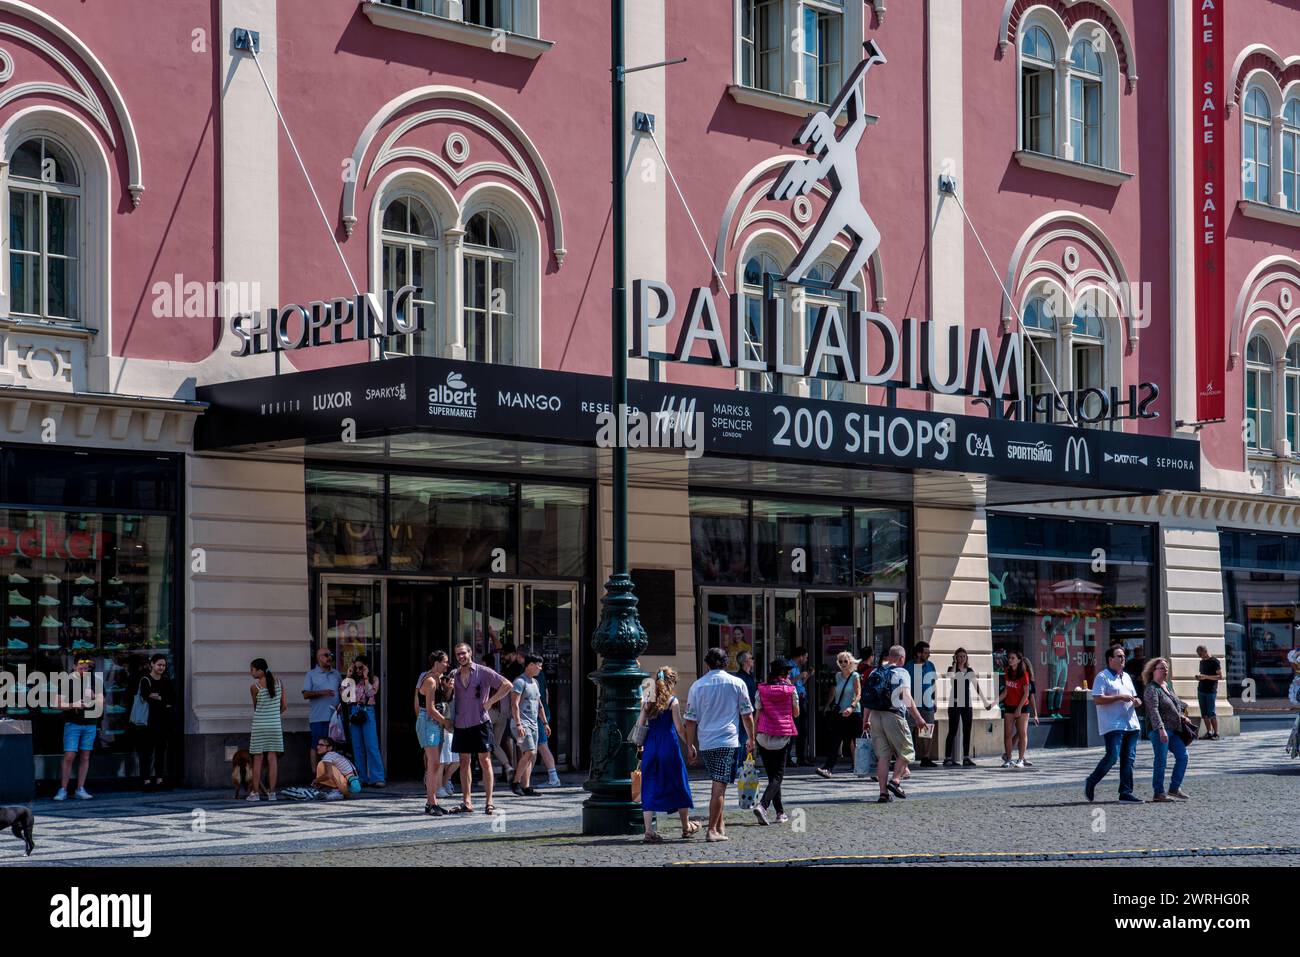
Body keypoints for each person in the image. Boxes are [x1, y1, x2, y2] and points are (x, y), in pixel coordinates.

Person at [684, 647, 756, 842]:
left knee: (718, 782)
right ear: (726, 663)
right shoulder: (736, 683)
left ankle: (720, 825)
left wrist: (690, 745)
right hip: (727, 740)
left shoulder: (697, 686)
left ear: (707, 664)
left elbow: (690, 720)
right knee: (719, 786)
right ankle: (712, 830)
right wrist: (751, 738)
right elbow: (747, 715)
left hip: (706, 742)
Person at [449, 641, 513, 814]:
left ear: (470, 653)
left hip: (480, 722)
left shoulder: (483, 671)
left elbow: (507, 685)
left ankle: (489, 801)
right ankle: (467, 802)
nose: (461, 656)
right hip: (461, 723)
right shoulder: (454, 675)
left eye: (463, 653)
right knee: (464, 762)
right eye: (458, 654)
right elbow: (448, 696)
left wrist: (491, 702)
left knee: (485, 761)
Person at [636, 667, 697, 842]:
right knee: (679, 783)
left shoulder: (648, 695)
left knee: (649, 785)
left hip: (651, 746)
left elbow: (641, 723)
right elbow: (679, 728)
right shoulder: (673, 701)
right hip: (669, 746)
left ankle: (648, 831)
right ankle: (686, 827)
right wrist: (690, 745)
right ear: (672, 682)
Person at [863, 645, 932, 802]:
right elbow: (906, 696)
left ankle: (883, 793)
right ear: (901, 658)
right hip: (893, 716)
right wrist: (919, 718)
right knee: (907, 751)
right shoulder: (901, 672)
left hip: (875, 716)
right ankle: (895, 781)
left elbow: (868, 699)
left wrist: (865, 720)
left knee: (883, 756)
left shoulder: (875, 671)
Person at [1084, 644, 1144, 804]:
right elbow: (1097, 699)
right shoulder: (1102, 677)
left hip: (1131, 724)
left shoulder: (1127, 677)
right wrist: (1119, 698)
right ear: (1110, 659)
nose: (1123, 658)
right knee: (1112, 757)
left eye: (1124, 656)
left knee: (1129, 759)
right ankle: (1091, 781)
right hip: (1113, 724)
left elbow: (1134, 697)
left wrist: (1137, 701)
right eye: (1119, 656)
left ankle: (1125, 792)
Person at [753, 658, 799, 825]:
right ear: (786, 673)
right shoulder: (790, 690)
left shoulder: (762, 689)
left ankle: (780, 813)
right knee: (778, 777)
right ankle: (763, 806)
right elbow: (796, 713)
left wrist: (752, 737)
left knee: (772, 776)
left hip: (763, 736)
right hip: (782, 736)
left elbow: (757, 715)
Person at [1142, 657, 1192, 802]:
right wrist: (1161, 729)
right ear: (1153, 671)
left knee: (1183, 756)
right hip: (1159, 730)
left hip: (1174, 729)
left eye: (1166, 668)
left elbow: (1175, 705)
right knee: (1161, 760)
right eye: (1162, 668)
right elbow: (1153, 711)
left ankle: (1174, 788)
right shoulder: (1151, 689)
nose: (1165, 671)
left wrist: (1182, 716)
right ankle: (1158, 792)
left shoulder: (1167, 686)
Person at [54, 657, 100, 801]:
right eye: (81, 668)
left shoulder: (95, 681)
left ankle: (80, 788)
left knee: (85, 756)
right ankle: (63, 789)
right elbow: (57, 704)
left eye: (86, 668)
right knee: (69, 755)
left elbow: (103, 702)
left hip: (90, 722)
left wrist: (94, 697)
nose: (84, 671)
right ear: (74, 667)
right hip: (72, 723)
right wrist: (74, 704)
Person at [416, 651, 452, 815]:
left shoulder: (437, 679)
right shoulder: (430, 680)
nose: (447, 664)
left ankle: (432, 802)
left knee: (435, 764)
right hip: (429, 722)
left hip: (435, 722)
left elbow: (442, 700)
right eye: (444, 662)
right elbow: (429, 709)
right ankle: (431, 802)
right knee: (434, 763)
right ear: (436, 663)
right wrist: (446, 721)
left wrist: (447, 689)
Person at [943, 647, 992, 767]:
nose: (962, 658)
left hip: (966, 703)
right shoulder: (952, 669)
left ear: (966, 657)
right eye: (959, 656)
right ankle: (947, 757)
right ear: (955, 657)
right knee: (953, 730)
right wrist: (954, 664)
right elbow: (951, 679)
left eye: (964, 656)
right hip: (954, 703)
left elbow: (976, 686)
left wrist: (985, 701)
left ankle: (966, 757)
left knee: (967, 730)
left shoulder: (969, 670)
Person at [816, 651, 861, 778]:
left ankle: (863, 766)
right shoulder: (837, 676)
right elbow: (834, 693)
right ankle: (828, 768)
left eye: (845, 661)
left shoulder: (855, 676)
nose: (842, 664)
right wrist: (827, 705)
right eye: (840, 661)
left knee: (856, 742)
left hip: (853, 713)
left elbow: (858, 694)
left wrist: (851, 707)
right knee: (835, 740)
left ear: (850, 662)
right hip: (840, 713)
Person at [247, 657, 286, 801]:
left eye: (252, 670)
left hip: (259, 726)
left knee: (257, 760)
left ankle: (255, 793)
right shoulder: (279, 683)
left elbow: (255, 708)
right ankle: (272, 793)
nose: (251, 673)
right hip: (275, 725)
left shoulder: (254, 687)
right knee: (272, 759)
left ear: (260, 671)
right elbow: (284, 706)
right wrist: (274, 715)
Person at [136, 654, 174, 789]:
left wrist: (157, 697)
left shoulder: (167, 681)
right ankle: (146, 780)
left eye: (163, 665)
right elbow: (146, 695)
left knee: (160, 751)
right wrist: (158, 699)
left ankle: (159, 779)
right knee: (146, 752)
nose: (161, 668)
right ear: (152, 664)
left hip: (162, 722)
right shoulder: (145, 679)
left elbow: (170, 699)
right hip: (147, 721)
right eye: (159, 665)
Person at [347, 655, 385, 788]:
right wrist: (348, 676)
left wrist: (366, 677)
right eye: (356, 667)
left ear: (366, 667)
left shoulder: (374, 679)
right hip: (354, 710)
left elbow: (371, 694)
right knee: (357, 747)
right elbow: (345, 696)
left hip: (368, 711)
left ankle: (378, 777)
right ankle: (361, 777)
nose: (358, 670)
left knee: (371, 745)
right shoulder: (351, 681)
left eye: (361, 667)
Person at [510, 654, 545, 796]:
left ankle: (526, 786)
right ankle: (515, 782)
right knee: (530, 751)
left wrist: (545, 723)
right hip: (522, 723)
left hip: (534, 723)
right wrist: (518, 724)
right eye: (538, 665)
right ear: (530, 665)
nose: (540, 668)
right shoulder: (519, 681)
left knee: (532, 755)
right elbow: (514, 704)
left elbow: (539, 704)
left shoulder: (535, 683)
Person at [302, 646, 341, 767]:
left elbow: (342, 692)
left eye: (331, 655)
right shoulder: (311, 674)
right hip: (318, 718)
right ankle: (316, 775)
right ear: (319, 658)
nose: (329, 658)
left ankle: (332, 775)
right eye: (326, 655)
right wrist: (322, 692)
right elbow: (306, 694)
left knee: (333, 747)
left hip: (334, 718)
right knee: (316, 746)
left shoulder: (336, 674)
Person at [1000, 651, 1038, 768]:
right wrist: (994, 702)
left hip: (1022, 707)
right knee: (1010, 733)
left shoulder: (1026, 677)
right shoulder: (1007, 672)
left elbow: (1030, 696)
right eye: (1009, 658)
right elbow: (1006, 691)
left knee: (1022, 733)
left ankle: (1021, 759)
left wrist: (1035, 714)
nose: (1010, 660)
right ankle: (1009, 757)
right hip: (1010, 706)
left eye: (1012, 658)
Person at [533, 667, 562, 788]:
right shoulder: (541, 674)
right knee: (539, 746)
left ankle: (553, 777)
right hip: (544, 713)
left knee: (542, 745)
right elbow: (546, 693)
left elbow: (539, 698)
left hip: (539, 715)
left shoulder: (533, 677)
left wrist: (543, 717)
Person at [910, 642, 938, 767]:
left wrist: (935, 700)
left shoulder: (930, 665)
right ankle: (908, 756)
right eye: (926, 653)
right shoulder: (909, 666)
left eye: (928, 652)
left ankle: (925, 757)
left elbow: (933, 684)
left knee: (927, 730)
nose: (928, 655)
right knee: (910, 729)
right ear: (918, 653)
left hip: (927, 703)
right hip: (912, 704)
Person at [787, 646, 812, 766]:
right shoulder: (789, 666)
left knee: (802, 730)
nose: (806, 660)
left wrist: (806, 677)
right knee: (794, 729)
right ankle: (788, 757)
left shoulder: (797, 667)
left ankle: (801, 757)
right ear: (800, 656)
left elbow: (799, 684)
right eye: (805, 657)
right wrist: (800, 676)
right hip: (794, 701)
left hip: (801, 698)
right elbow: (787, 683)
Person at [733, 651, 757, 769]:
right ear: (745, 662)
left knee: (747, 737)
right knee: (743, 738)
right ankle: (741, 764)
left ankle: (745, 763)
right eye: (751, 658)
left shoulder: (749, 676)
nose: (753, 660)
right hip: (742, 712)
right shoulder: (740, 678)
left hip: (750, 711)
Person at [1195, 645, 1223, 740]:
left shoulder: (1215, 661)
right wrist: (1200, 677)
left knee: (1211, 713)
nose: (1199, 656)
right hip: (1201, 689)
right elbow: (1203, 674)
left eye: (1200, 654)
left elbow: (1220, 677)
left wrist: (1206, 677)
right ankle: (1209, 732)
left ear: (1205, 651)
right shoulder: (1202, 662)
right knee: (1204, 713)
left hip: (1211, 690)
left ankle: (1216, 733)